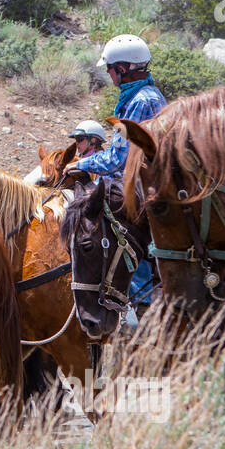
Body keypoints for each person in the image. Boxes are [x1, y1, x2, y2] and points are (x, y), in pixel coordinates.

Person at [75, 34, 168, 310]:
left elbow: (119, 159)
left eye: (110, 68)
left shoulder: (141, 101)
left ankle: (135, 304)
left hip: (142, 189)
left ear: (123, 69)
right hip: (144, 184)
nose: (108, 73)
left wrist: (79, 164)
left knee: (117, 235)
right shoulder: (141, 97)